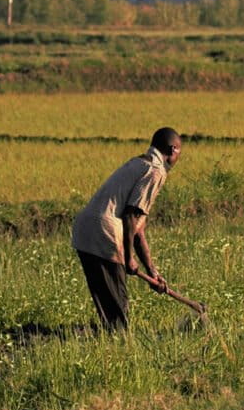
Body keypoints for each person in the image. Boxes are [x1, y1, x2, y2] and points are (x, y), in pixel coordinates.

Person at [72, 127, 181, 331]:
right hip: (104, 231)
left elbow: (138, 230)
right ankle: (119, 341)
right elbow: (130, 216)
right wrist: (129, 258)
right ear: (173, 149)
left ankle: (111, 336)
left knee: (108, 301)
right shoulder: (156, 171)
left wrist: (152, 272)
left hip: (85, 230)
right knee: (117, 303)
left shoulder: (138, 163)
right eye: (179, 153)